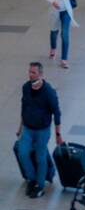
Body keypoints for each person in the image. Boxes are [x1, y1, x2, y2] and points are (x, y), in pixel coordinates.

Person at [17, 62, 63, 198]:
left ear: (41, 74)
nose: (30, 75)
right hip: (28, 128)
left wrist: (58, 134)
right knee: (23, 153)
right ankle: (32, 178)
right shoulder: (26, 87)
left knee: (40, 157)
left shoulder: (48, 92)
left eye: (33, 73)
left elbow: (57, 112)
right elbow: (23, 107)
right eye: (29, 72)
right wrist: (20, 127)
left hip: (42, 130)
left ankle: (40, 185)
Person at [44, 0, 77, 68]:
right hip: (54, 11)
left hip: (66, 10)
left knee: (65, 34)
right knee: (54, 31)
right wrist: (53, 2)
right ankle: (53, 48)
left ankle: (64, 59)